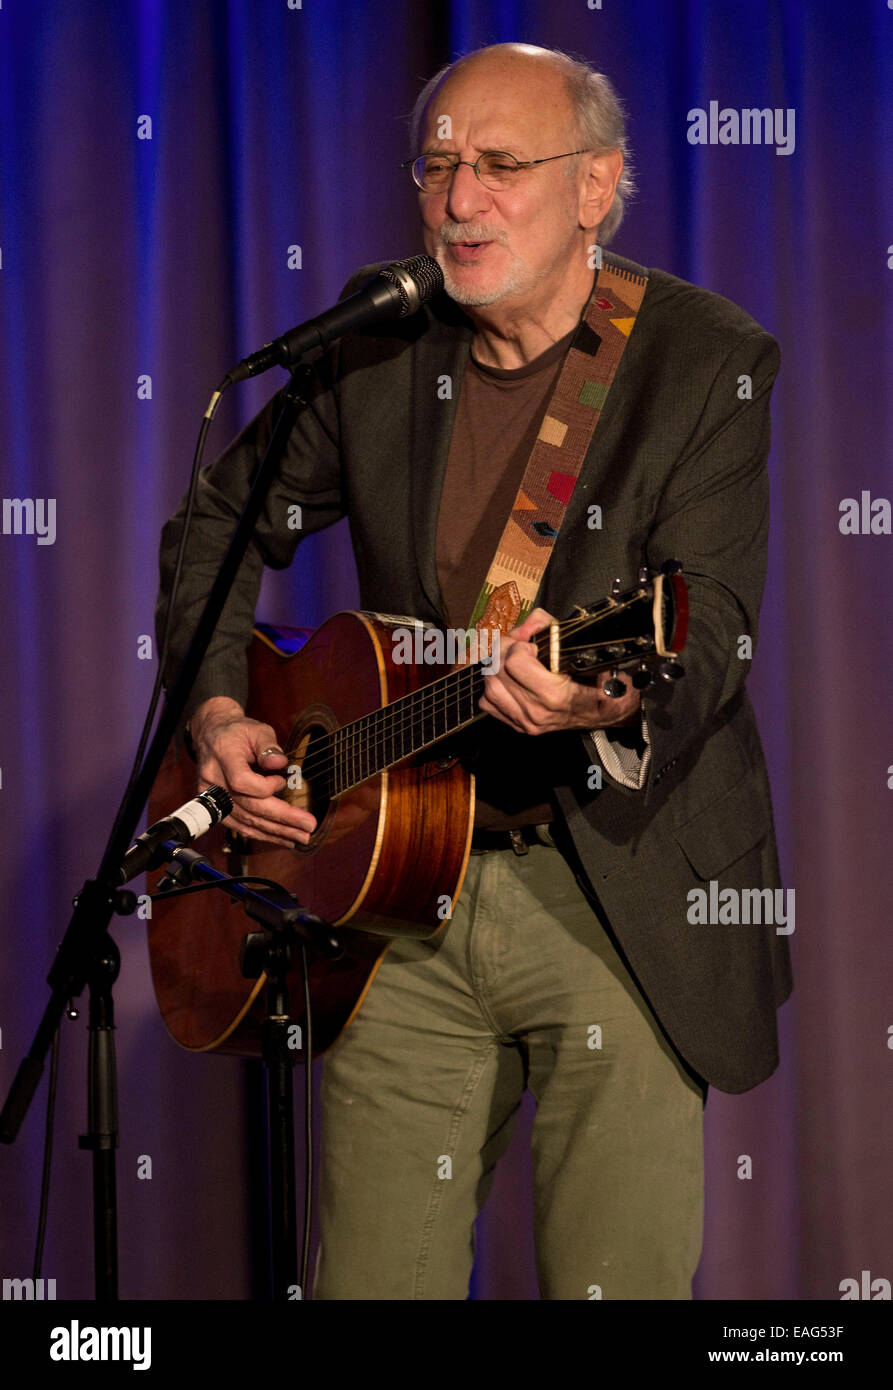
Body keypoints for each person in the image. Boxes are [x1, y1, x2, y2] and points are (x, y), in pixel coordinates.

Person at [156, 42, 792, 1300]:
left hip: (615, 887)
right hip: (400, 899)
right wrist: (224, 709)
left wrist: (603, 695)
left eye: (501, 166)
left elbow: (704, 625)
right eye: (438, 166)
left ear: (596, 186)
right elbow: (212, 537)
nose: (459, 201)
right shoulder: (381, 339)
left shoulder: (700, 358)